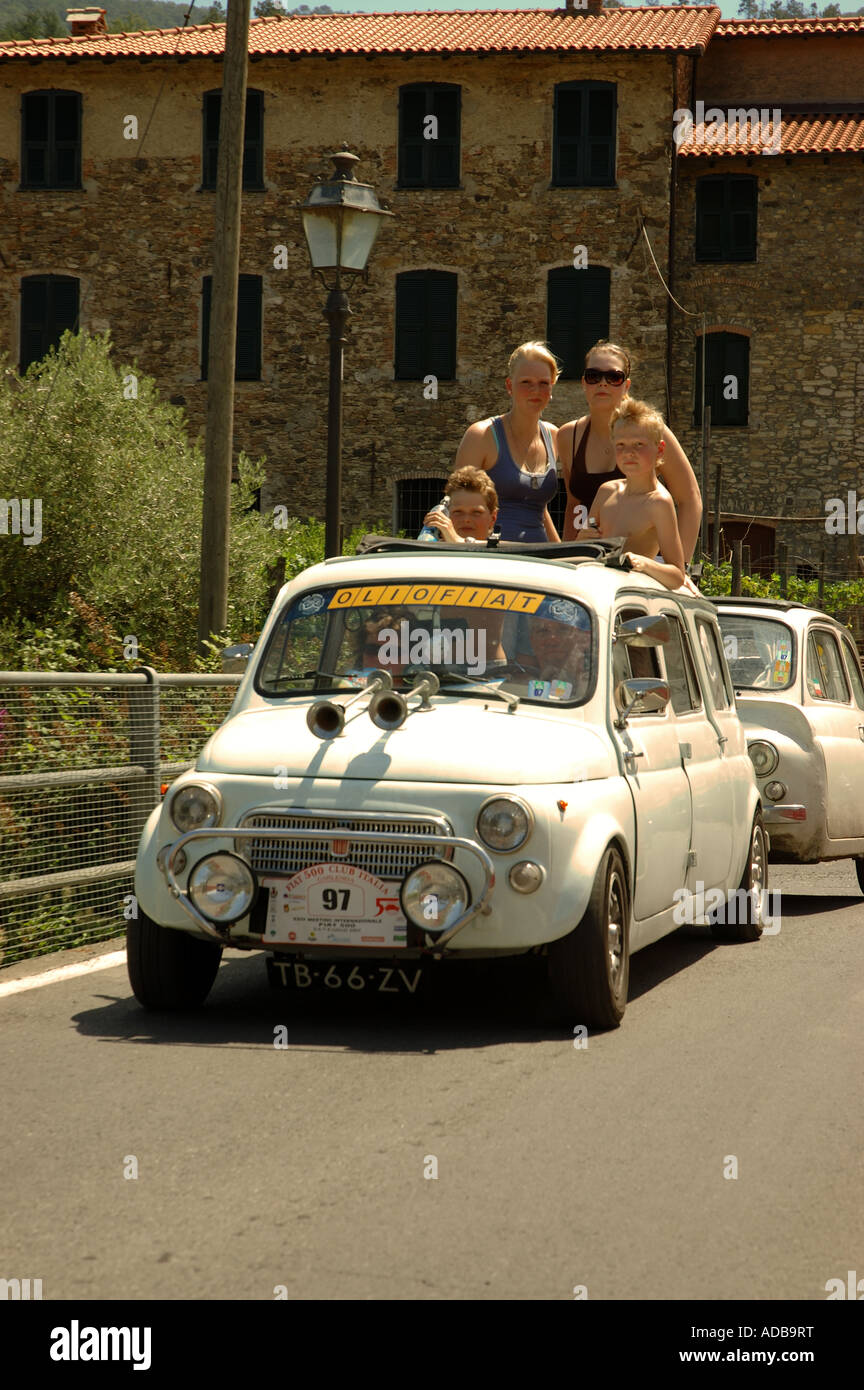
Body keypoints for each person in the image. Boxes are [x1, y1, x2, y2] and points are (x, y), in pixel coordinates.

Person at [556, 340, 702, 557]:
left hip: (641, 563)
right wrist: (568, 556)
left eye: (613, 377)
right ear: (584, 383)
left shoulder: (652, 432)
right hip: (589, 560)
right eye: (593, 376)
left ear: (626, 385)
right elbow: (573, 504)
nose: (602, 384)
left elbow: (690, 498)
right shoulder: (569, 435)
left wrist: (681, 566)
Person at [452, 341, 560, 542]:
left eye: (543, 383)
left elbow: (540, 509)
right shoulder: (481, 436)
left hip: (540, 555)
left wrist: (562, 552)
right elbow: (457, 506)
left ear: (552, 387)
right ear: (509, 386)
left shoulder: (554, 436)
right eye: (526, 382)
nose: (535, 390)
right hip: (494, 555)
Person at [576, 397, 688, 591]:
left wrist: (644, 563)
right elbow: (583, 551)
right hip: (594, 588)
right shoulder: (606, 491)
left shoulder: (659, 503)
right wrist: (581, 540)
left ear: (660, 450)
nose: (629, 452)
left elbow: (677, 576)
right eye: (621, 445)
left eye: (639, 444)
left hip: (627, 595)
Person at [420, 466, 498, 543]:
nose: (466, 519)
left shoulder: (503, 550)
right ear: (445, 516)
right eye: (458, 512)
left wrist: (457, 540)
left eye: (476, 512)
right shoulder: (427, 549)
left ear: (493, 519)